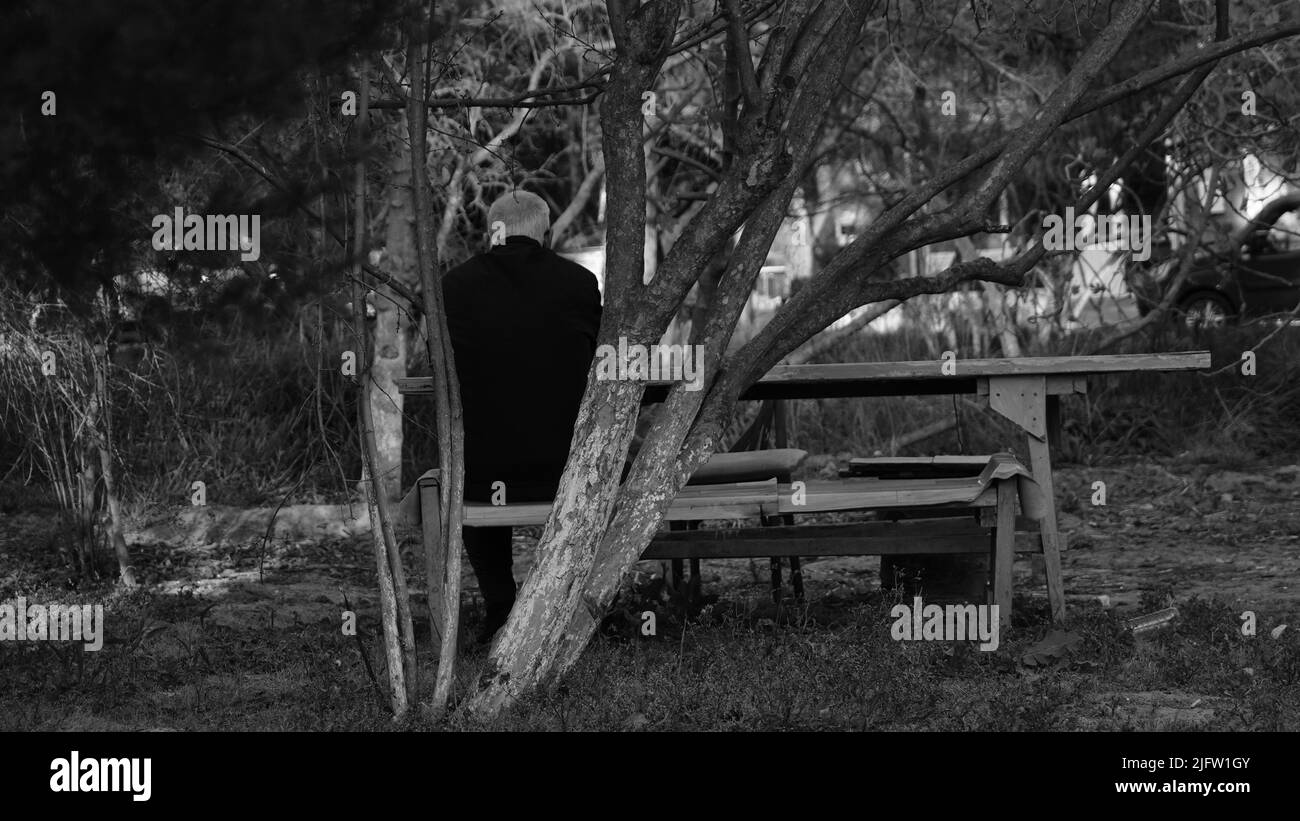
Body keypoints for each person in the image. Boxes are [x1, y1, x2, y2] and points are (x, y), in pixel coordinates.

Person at [442, 190, 602, 643]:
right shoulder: (578, 283)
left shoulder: (454, 287)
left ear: (493, 230)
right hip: (564, 468)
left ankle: (500, 607)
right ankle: (561, 606)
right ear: (545, 231)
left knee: (479, 456)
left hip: (483, 471)